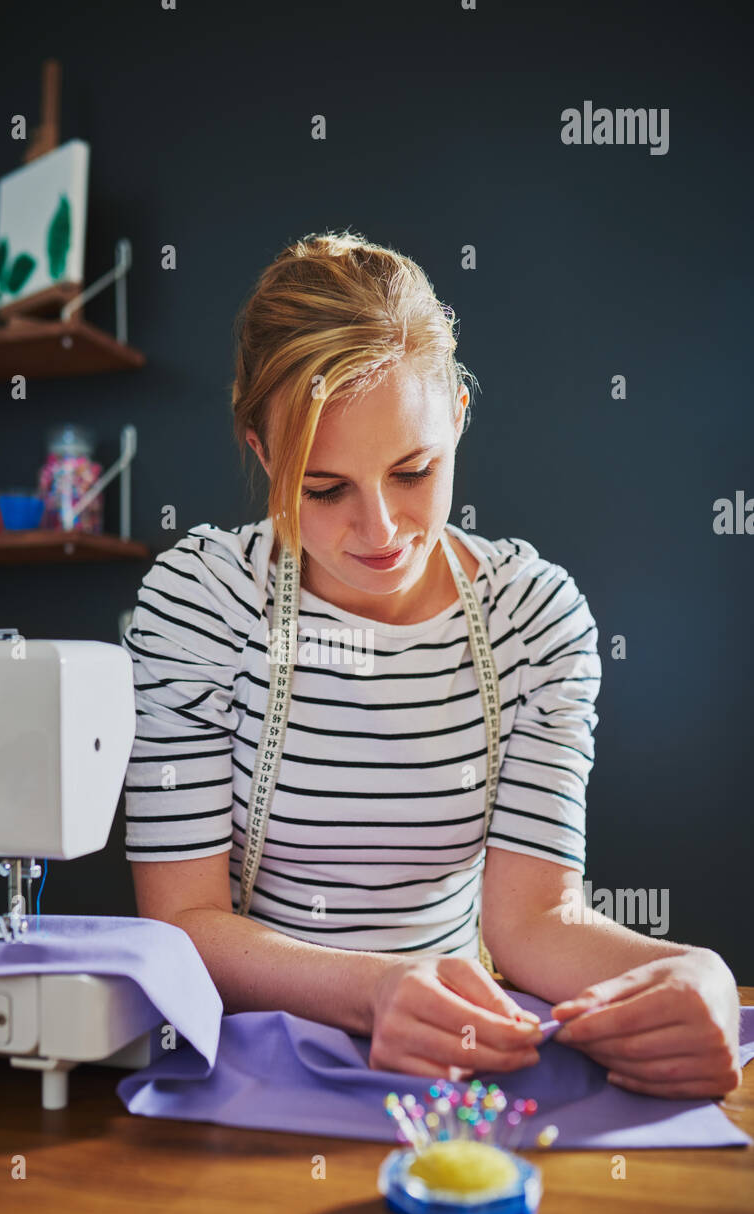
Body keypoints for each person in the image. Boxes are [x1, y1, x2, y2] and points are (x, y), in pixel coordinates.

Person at [124, 230, 741, 1100]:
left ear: (456, 415)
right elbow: (182, 920)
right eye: (323, 487)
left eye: (414, 471)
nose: (379, 533)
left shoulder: (534, 617)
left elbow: (533, 923)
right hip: (247, 1063)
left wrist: (698, 972)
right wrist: (374, 989)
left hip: (456, 1062)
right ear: (262, 453)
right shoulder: (204, 599)